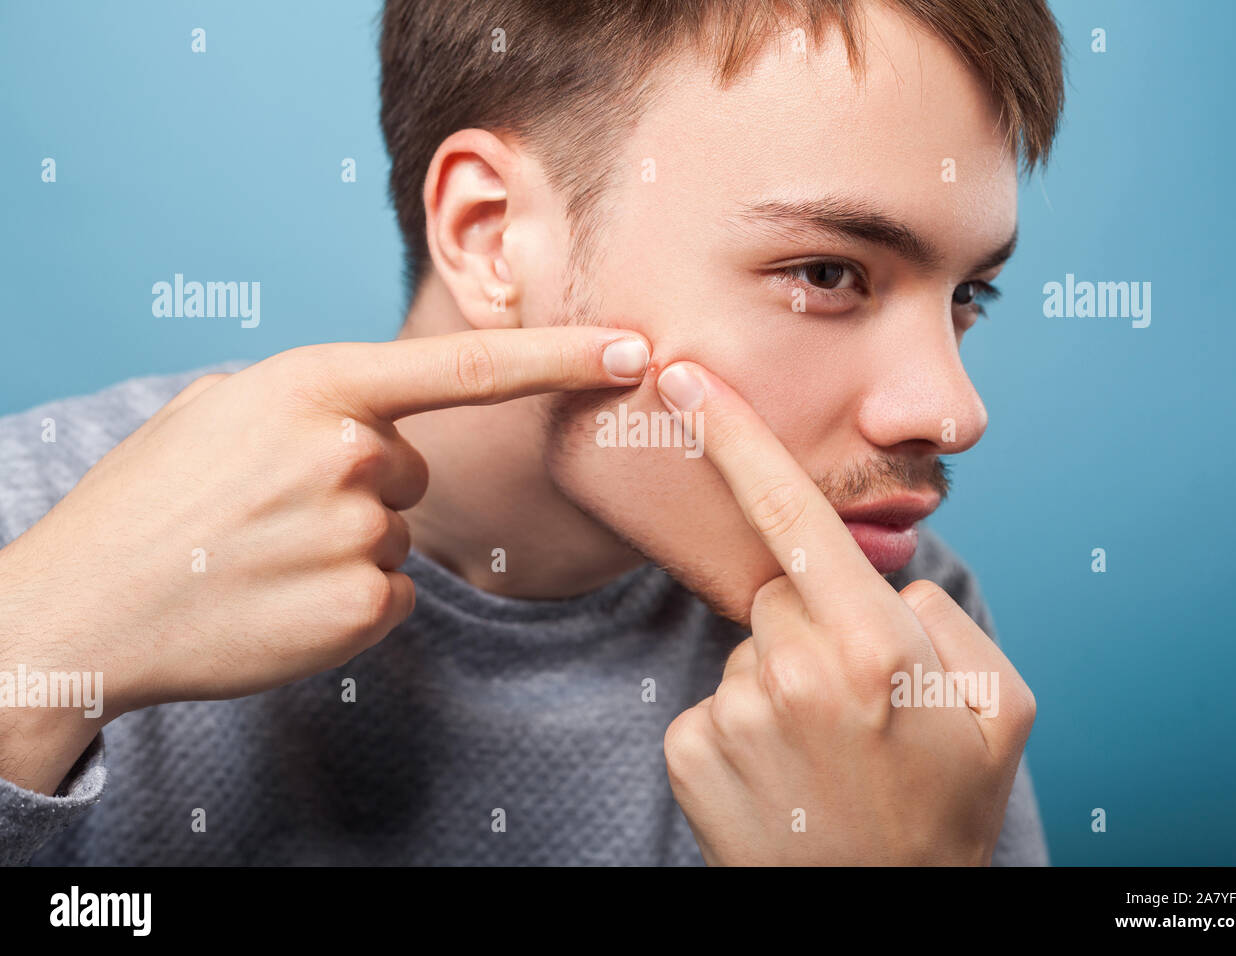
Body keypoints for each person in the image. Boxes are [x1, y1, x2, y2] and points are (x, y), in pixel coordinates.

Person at [0, 0, 1064, 865]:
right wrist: (29, 662)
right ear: (493, 237)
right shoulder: (37, 519)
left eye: (970, 293)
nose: (950, 411)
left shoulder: (900, 636)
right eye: (827, 274)